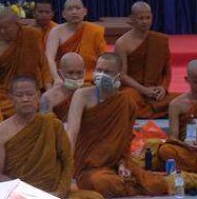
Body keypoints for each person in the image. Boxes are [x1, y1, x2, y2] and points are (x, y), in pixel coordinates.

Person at [66, 52, 167, 197]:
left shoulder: (127, 103)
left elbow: (124, 142)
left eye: (107, 72)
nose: (101, 75)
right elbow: (72, 132)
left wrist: (122, 164)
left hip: (115, 164)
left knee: (158, 185)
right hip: (88, 166)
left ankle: (125, 182)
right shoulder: (82, 96)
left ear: (118, 77)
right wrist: (68, 170)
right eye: (99, 70)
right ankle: (128, 186)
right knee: (100, 182)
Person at [0, 76, 85, 199]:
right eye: (19, 95)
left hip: (52, 191)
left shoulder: (52, 125)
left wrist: (59, 193)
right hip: (18, 192)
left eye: (30, 94)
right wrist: (25, 191)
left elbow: (67, 161)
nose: (25, 99)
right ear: (11, 99)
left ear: (38, 96)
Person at [0, 8, 50, 117]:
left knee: (38, 102)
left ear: (17, 24)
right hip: (6, 91)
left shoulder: (32, 35)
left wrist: (48, 91)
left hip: (31, 88)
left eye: (6, 28)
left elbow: (44, 65)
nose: (2, 32)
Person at [156, 59, 197, 172]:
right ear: (187, 80)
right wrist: (185, 145)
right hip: (186, 150)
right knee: (165, 150)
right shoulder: (176, 105)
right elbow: (173, 137)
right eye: (196, 82)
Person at [115, 1, 173, 118]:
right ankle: (157, 110)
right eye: (141, 18)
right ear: (131, 19)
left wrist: (163, 88)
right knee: (126, 99)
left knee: (184, 101)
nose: (145, 22)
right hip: (133, 89)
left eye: (148, 18)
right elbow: (122, 75)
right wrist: (144, 90)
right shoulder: (122, 43)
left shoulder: (160, 40)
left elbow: (167, 71)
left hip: (155, 91)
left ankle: (153, 109)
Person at [46, 0, 106, 83]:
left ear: (85, 11)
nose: (74, 12)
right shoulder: (56, 32)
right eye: (70, 9)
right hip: (64, 78)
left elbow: (103, 58)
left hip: (89, 78)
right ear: (63, 14)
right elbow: (49, 57)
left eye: (78, 8)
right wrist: (56, 78)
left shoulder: (95, 31)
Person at [40, 52, 85, 121]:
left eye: (79, 72)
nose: (75, 77)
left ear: (84, 72)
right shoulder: (48, 98)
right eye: (70, 73)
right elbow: (46, 127)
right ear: (60, 74)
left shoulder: (89, 92)